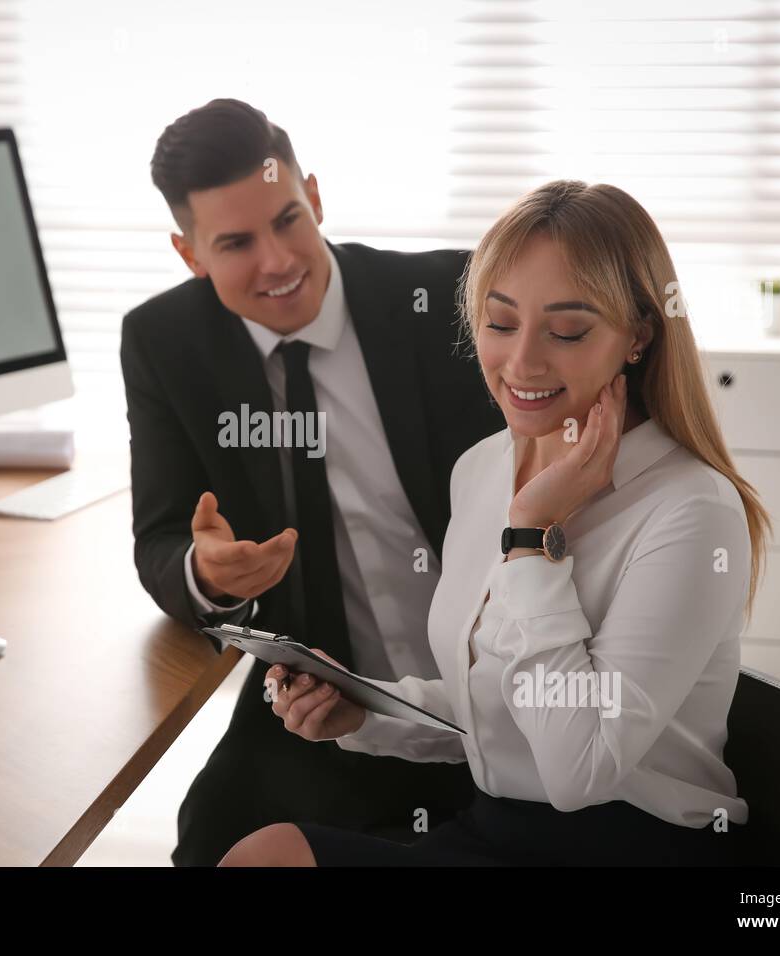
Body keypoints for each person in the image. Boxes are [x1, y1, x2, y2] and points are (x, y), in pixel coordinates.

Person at [222, 179, 773, 866]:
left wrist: (531, 539)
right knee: (265, 852)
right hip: (495, 830)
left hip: (632, 844)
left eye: (567, 330)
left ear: (637, 335)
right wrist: (364, 713)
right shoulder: (482, 468)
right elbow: (493, 711)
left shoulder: (691, 511)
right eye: (500, 322)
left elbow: (578, 770)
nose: (521, 363)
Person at [120, 98, 505, 866]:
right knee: (209, 839)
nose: (278, 260)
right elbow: (160, 537)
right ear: (188, 252)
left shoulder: (445, 298)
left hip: (490, 695)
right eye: (235, 242)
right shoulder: (163, 342)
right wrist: (208, 574)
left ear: (317, 197)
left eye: (289, 220)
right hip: (317, 708)